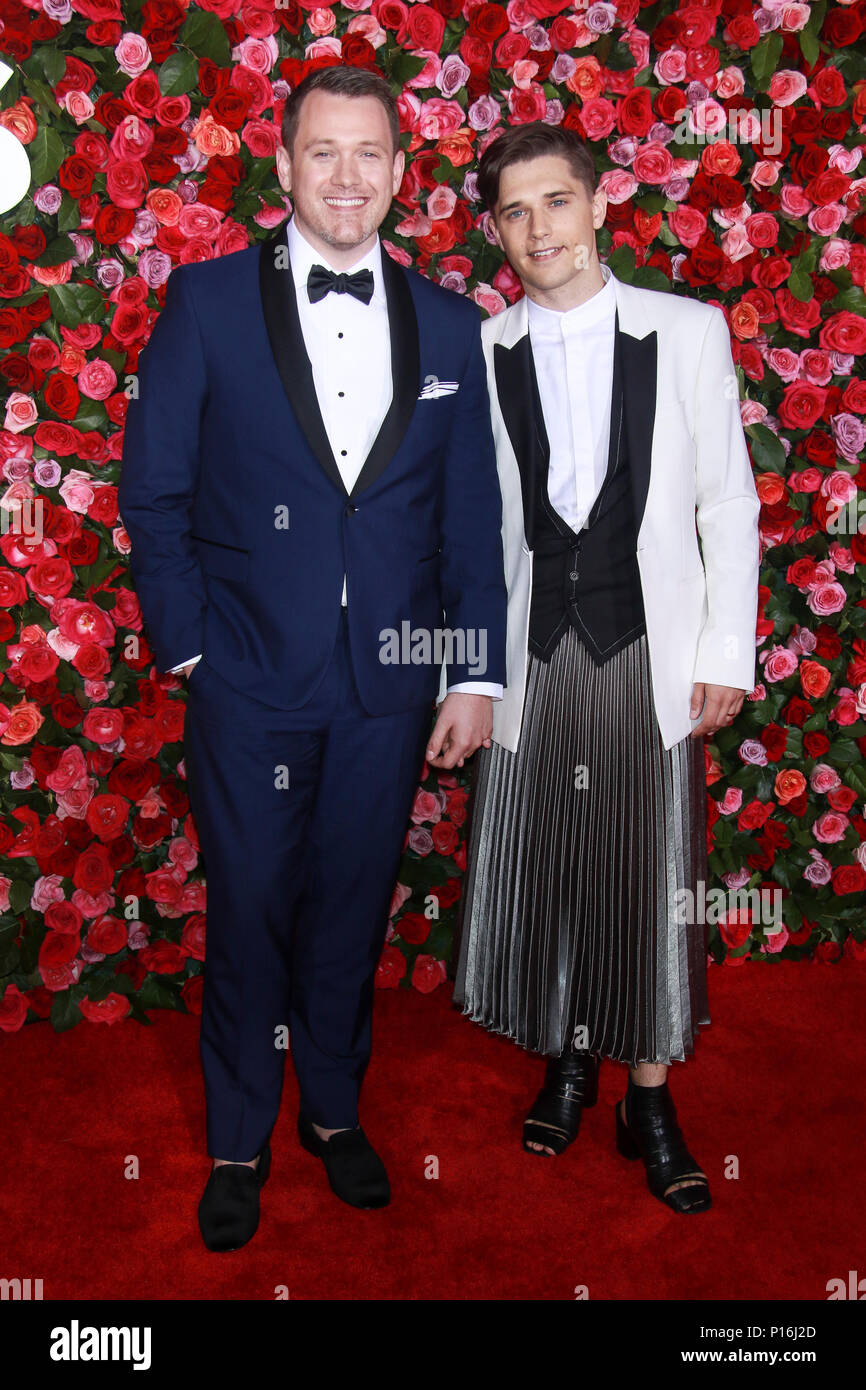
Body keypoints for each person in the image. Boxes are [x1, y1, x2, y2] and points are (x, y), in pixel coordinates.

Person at [118, 65, 507, 1251]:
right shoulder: (206, 303)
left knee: (348, 910)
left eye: (370, 153)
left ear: (400, 171)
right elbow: (156, 490)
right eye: (323, 152)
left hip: (388, 691)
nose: (347, 176)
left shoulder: (451, 326)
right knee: (247, 912)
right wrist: (190, 651)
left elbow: (467, 522)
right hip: (244, 680)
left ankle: (332, 1115)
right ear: (283, 166)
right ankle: (238, 1135)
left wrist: (473, 672)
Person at [453, 123, 760, 1214]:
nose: (536, 227)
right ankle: (564, 1061)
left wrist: (725, 648)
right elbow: (473, 529)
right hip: (537, 651)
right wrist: (473, 672)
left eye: (553, 202)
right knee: (547, 862)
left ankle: (648, 1095)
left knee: (644, 868)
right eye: (513, 211)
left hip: (650, 651)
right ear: (496, 230)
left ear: (596, 207)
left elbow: (724, 498)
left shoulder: (684, 331)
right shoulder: (482, 351)